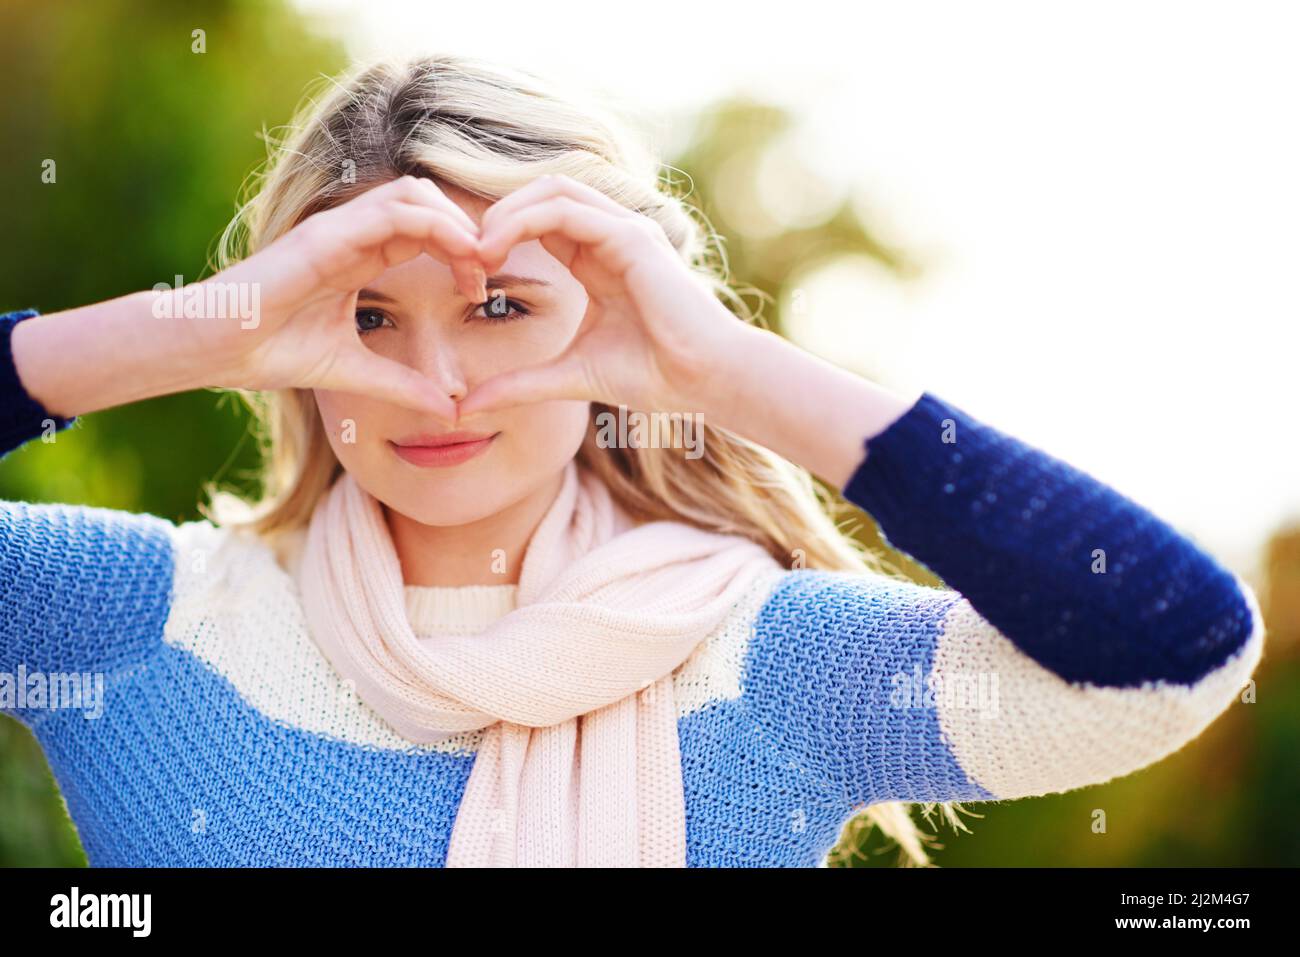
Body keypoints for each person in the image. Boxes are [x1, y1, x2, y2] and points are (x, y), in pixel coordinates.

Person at [0, 53, 1263, 867]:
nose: (437, 381)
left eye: (502, 309)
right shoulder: (131, 617)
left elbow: (1171, 654)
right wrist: (171, 333)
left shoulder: (760, 660)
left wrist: (725, 372)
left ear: (610, 320)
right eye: (366, 316)